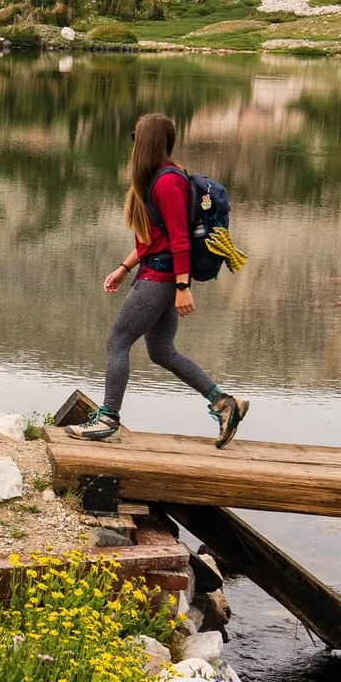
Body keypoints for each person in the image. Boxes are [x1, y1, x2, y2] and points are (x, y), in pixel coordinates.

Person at [74, 112, 249, 447]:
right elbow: (155, 237)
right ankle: (225, 403)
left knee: (118, 341)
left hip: (163, 277)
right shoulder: (158, 178)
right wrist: (124, 267)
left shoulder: (168, 182)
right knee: (162, 350)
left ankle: (108, 418)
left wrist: (183, 287)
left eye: (136, 137)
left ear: (145, 143)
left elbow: (180, 239)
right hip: (158, 271)